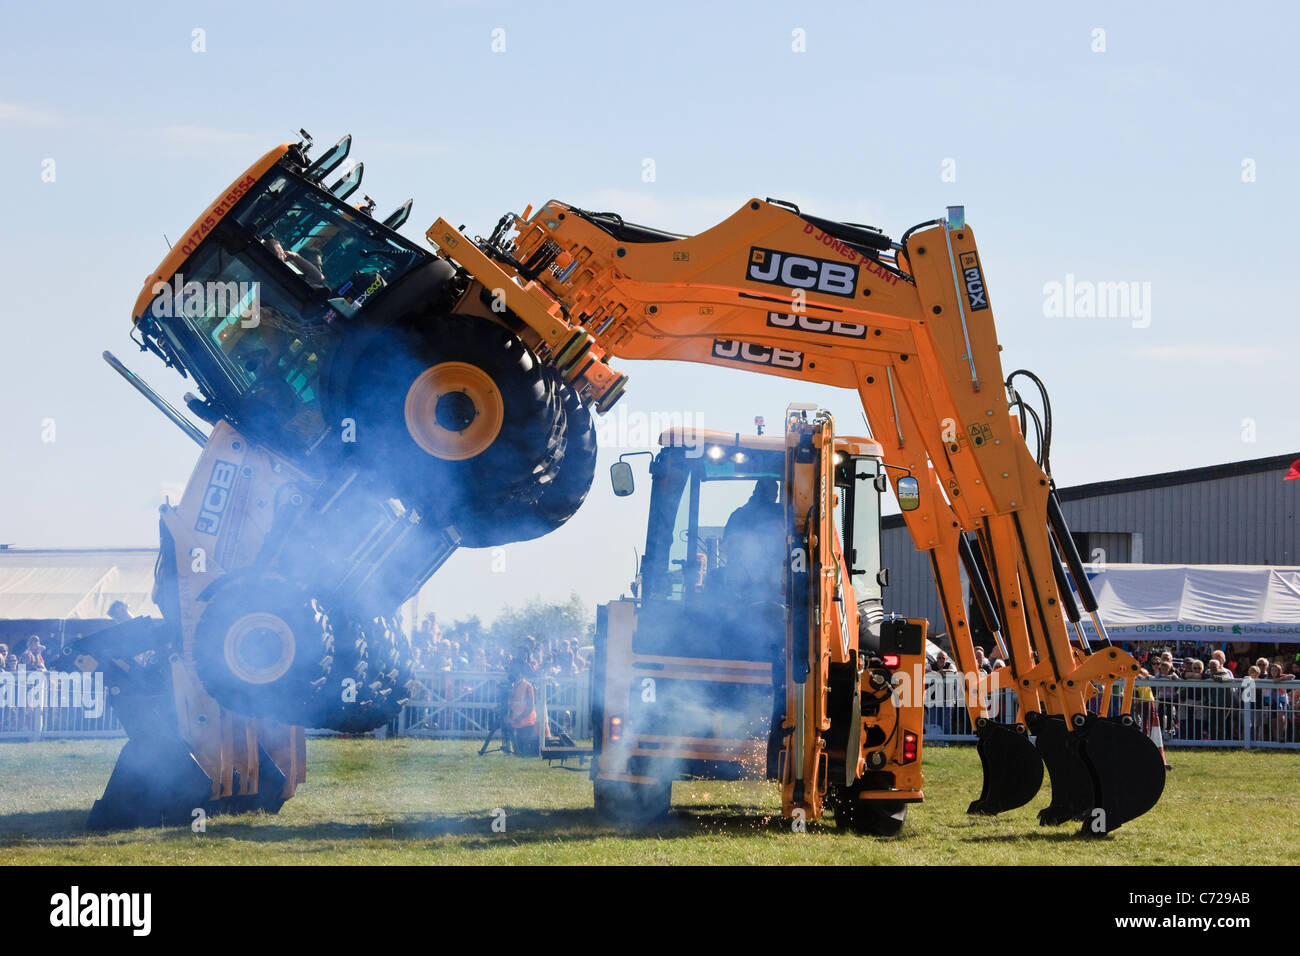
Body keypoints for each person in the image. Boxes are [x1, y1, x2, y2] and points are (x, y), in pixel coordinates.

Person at [721, 477, 785, 595]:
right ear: (773, 495)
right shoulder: (780, 513)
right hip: (772, 583)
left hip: (741, 584)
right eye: (772, 493)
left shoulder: (737, 515)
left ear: (755, 492)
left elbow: (726, 546)